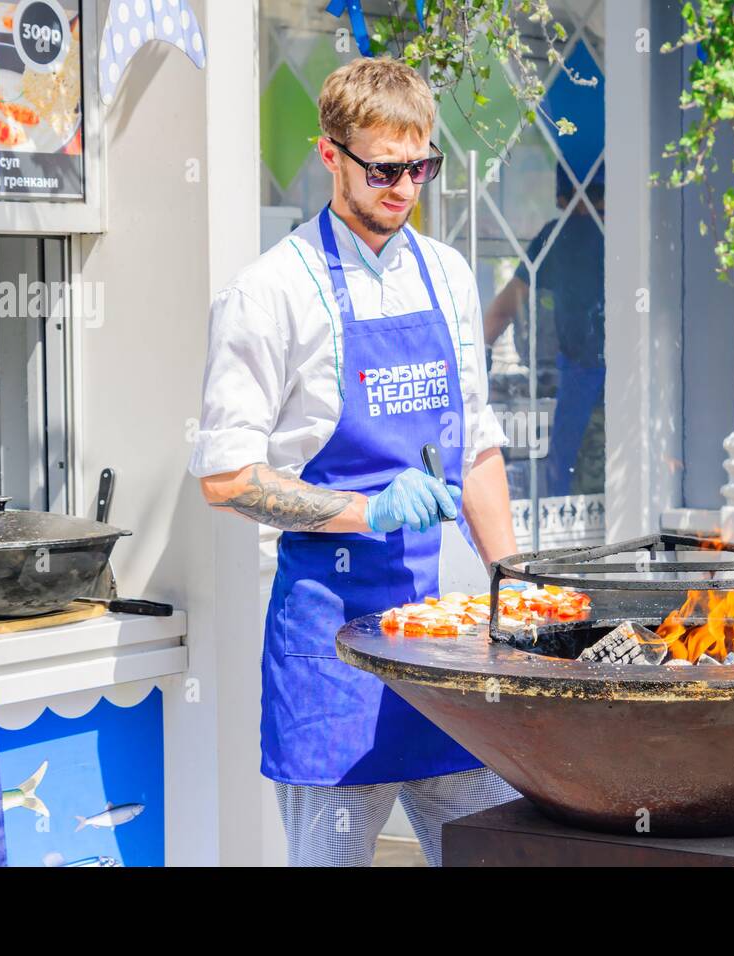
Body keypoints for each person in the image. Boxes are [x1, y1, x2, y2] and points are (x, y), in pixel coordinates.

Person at [189, 58, 520, 867]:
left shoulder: (446, 275)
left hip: (435, 640)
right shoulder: (268, 292)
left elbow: (473, 443)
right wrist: (366, 513)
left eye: (421, 167)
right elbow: (225, 476)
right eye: (384, 168)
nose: (404, 187)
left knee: (498, 851)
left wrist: (516, 586)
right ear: (330, 156)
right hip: (327, 648)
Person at [484, 165, 605, 496]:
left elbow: (502, 310)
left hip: (581, 372)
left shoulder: (562, 234)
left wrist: (473, 363)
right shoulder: (621, 230)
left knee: (563, 477)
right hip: (607, 372)